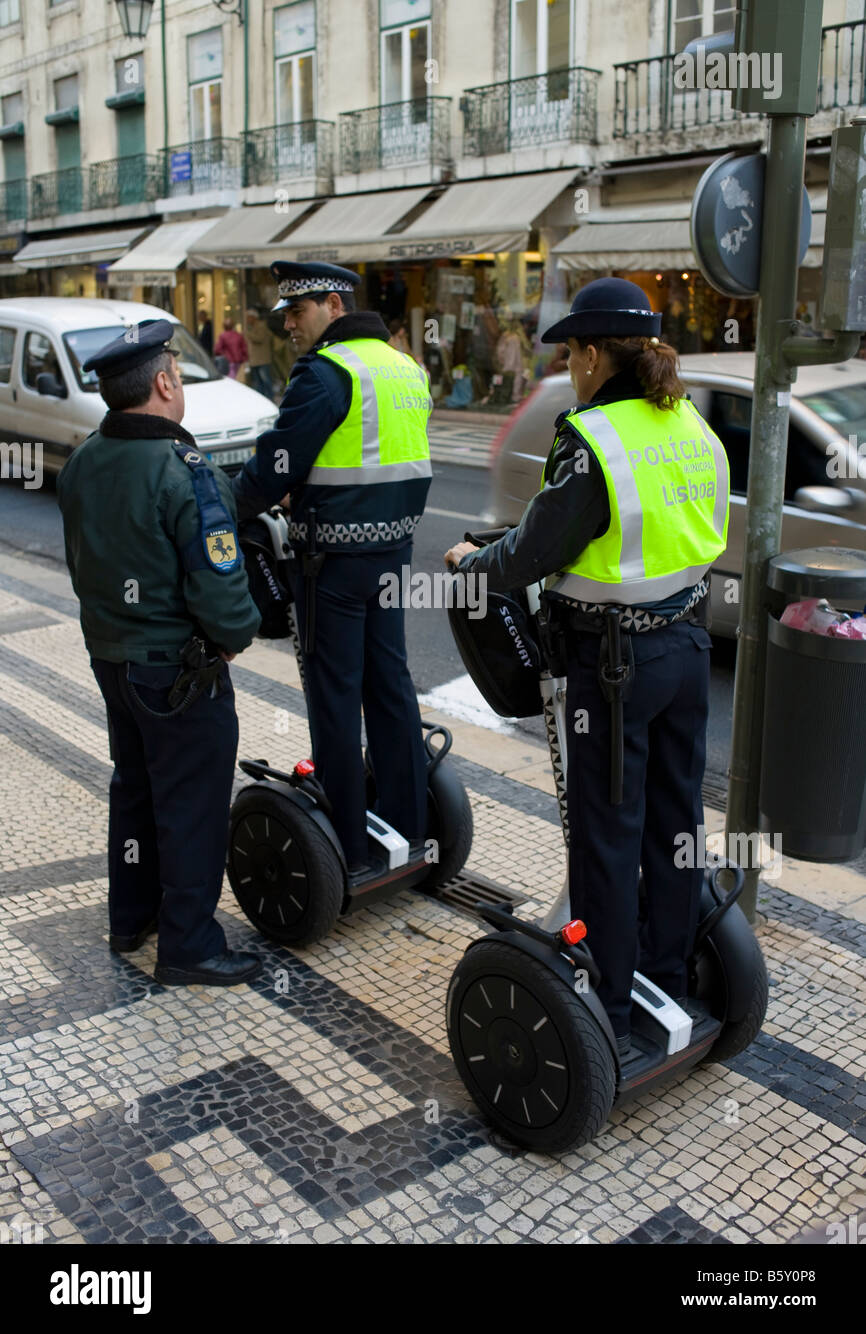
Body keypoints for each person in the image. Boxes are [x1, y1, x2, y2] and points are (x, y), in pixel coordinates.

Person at [445, 278, 730, 1062]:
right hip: (685, 646)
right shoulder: (688, 423)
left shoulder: (593, 440)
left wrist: (477, 559)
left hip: (612, 666)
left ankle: (606, 1003)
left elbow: (537, 550)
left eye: (571, 353)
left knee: (609, 831)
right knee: (677, 824)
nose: (570, 368)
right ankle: (666, 973)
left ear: (597, 354)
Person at [56, 319, 263, 987]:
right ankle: (189, 946)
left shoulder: (85, 459)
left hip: (112, 659)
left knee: (135, 787)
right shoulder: (186, 472)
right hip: (179, 671)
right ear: (166, 382)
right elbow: (223, 596)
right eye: (175, 368)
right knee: (192, 805)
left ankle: (130, 916)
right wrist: (232, 640)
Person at [231, 261, 433, 873]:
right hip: (394, 555)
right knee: (391, 687)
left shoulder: (325, 373)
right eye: (286, 314)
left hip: (334, 565)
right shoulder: (405, 367)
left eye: (299, 311)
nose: (290, 325)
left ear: (334, 308)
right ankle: (409, 826)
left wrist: (221, 509)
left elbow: (271, 471)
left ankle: (347, 843)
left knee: (335, 696)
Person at [245, 308, 275, 399]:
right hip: (255, 360)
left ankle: (270, 398)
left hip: (262, 360)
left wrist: (249, 334)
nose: (247, 320)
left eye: (248, 317)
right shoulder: (252, 327)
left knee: (266, 381)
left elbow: (260, 338)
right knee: (258, 382)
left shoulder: (261, 326)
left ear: (254, 317)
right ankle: (262, 398)